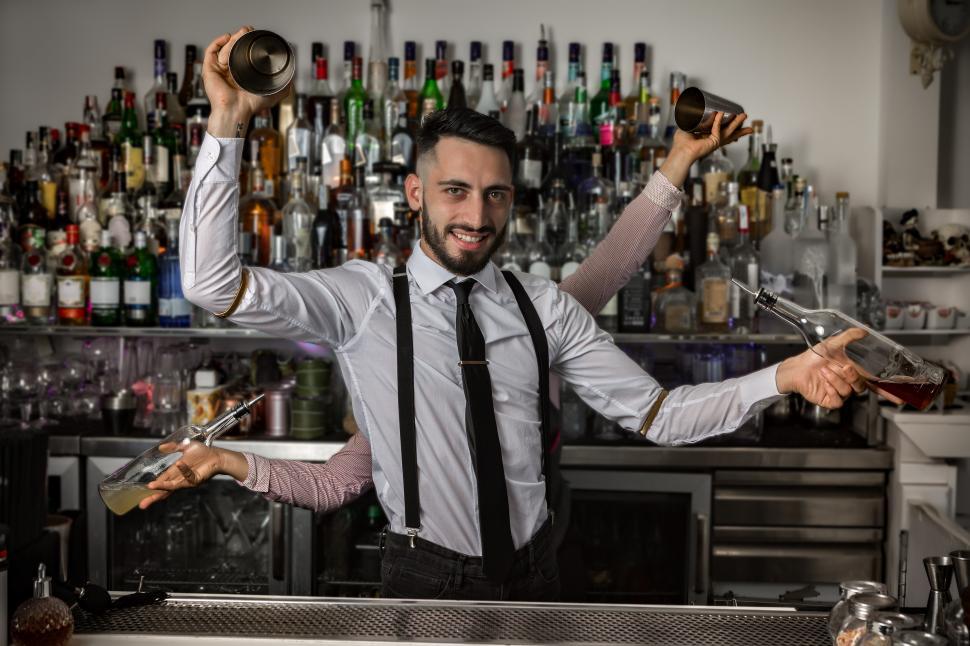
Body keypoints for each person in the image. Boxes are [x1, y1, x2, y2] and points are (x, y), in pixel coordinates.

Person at [148, 27, 871, 602]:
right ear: (415, 193)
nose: (476, 214)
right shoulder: (361, 302)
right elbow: (213, 286)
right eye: (455, 190)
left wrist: (785, 376)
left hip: (537, 572)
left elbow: (657, 407)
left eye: (494, 194)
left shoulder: (540, 306)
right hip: (424, 581)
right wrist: (229, 122)